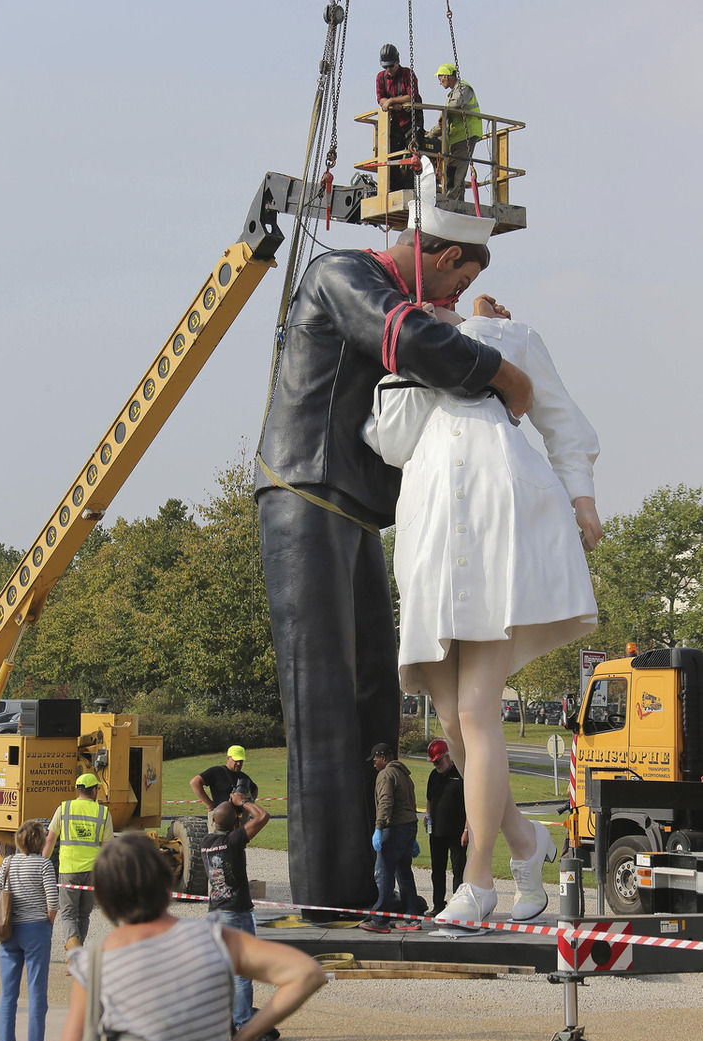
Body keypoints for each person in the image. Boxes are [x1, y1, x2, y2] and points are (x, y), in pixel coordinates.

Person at [256, 156, 533, 917]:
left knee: (373, 694)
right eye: (450, 284)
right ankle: (324, 898)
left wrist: (476, 329)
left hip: (349, 513)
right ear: (441, 254)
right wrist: (499, 369)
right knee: (320, 700)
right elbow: (405, 336)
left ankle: (369, 890)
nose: (445, 300)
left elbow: (425, 347)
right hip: (301, 494)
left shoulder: (396, 295)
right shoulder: (340, 274)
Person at [363, 188, 602, 924]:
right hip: (433, 525)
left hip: (502, 513)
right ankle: (526, 843)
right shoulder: (404, 339)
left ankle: (479, 879)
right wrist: (422, 351)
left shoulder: (513, 335)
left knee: (475, 710)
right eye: (454, 277)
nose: (460, 292)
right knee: (450, 714)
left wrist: (581, 497)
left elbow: (560, 417)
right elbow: (392, 441)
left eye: (469, 283)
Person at [59, 832, 325, 1041]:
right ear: (166, 884)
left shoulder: (95, 964)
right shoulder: (215, 939)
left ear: (103, 899)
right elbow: (306, 973)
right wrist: (243, 1039)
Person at [202, 792, 280, 1041]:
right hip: (235, 914)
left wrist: (230, 812)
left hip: (215, 914)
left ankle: (227, 1017)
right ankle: (244, 1023)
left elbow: (226, 823)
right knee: (242, 972)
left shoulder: (206, 842)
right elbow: (263, 816)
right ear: (235, 823)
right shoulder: (234, 841)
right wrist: (243, 802)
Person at [0, 819, 59, 1041]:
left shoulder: (8, 862)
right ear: (40, 841)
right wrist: (47, 924)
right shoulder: (44, 865)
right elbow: (53, 901)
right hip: (36, 929)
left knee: (8, 992)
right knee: (36, 987)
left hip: (9, 931)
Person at [42, 772, 112, 954]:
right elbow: (108, 847)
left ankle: (73, 953)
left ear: (78, 790)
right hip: (93, 872)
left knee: (68, 914)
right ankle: (77, 954)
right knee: (83, 915)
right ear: (95, 790)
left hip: (69, 870)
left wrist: (41, 863)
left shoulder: (64, 809)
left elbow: (50, 839)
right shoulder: (103, 813)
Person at [359, 743, 420, 933]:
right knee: (404, 874)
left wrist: (379, 828)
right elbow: (410, 803)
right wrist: (412, 838)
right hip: (409, 827)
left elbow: (386, 802)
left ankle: (380, 919)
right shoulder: (405, 775)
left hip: (393, 829)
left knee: (383, 873)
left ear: (383, 757)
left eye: (375, 759)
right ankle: (411, 918)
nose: (374, 763)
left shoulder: (385, 775)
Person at [426, 63, 482, 207]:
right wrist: (430, 134)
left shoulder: (464, 88)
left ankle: (450, 203)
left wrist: (443, 112)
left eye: (440, 78)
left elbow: (455, 105)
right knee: (457, 171)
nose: (439, 82)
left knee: (454, 170)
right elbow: (443, 123)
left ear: (447, 76)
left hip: (466, 135)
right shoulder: (452, 94)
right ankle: (458, 203)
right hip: (458, 137)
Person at [424, 738, 467, 917]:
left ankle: (458, 905)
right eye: (433, 762)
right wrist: (427, 816)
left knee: (458, 869)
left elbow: (469, 805)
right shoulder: (434, 776)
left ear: (448, 757)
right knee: (437, 870)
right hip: (437, 832)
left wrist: (466, 830)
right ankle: (438, 904)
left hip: (457, 832)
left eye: (438, 761)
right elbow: (429, 799)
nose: (436, 765)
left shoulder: (461, 775)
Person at [375, 42, 424, 190]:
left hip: (412, 120)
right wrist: (390, 104)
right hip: (396, 121)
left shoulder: (407, 74)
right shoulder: (380, 78)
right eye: (385, 67)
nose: (388, 70)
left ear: (398, 62)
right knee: (391, 155)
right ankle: (394, 189)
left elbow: (412, 96)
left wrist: (392, 101)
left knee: (413, 154)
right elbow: (380, 99)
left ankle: (412, 189)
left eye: (391, 66)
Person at [190, 745, 259, 821]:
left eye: (241, 761)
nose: (239, 763)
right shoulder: (216, 771)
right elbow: (195, 782)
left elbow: (255, 789)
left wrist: (249, 805)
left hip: (238, 820)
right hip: (219, 818)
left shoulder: (243, 777)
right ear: (228, 758)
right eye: (236, 760)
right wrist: (209, 805)